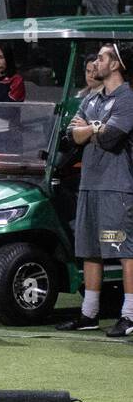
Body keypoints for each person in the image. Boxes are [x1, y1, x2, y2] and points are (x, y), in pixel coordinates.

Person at [58, 42, 133, 337]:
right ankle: (89, 314)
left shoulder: (127, 99)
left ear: (115, 65)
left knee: (126, 252)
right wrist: (94, 130)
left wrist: (88, 130)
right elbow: (69, 135)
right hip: (90, 184)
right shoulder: (91, 99)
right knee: (90, 251)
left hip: (118, 187)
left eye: (102, 58)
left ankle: (129, 316)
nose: (96, 63)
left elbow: (113, 137)